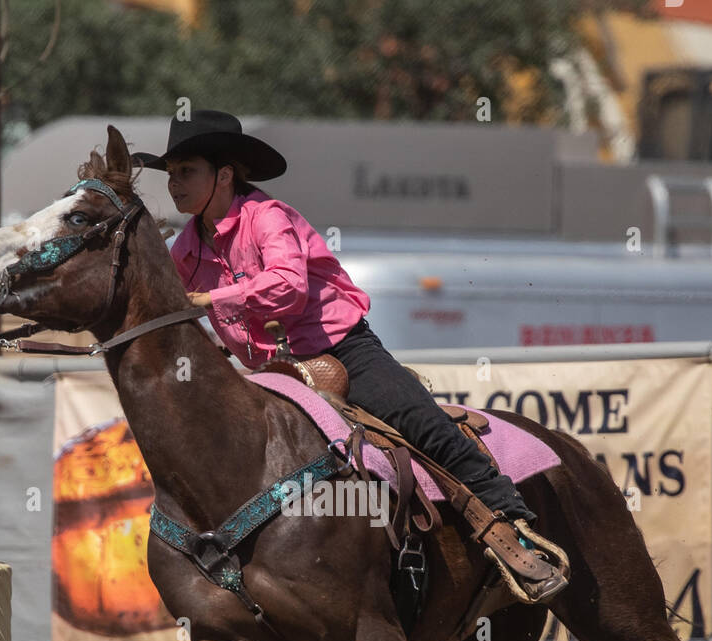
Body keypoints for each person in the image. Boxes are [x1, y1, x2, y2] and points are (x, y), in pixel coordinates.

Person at [133, 110, 565, 604]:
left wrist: (212, 301)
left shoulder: (267, 217)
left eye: (186, 171)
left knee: (419, 421)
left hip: (341, 350)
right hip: (274, 373)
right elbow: (164, 309)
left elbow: (289, 288)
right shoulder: (185, 247)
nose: (174, 185)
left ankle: (513, 522)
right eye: (170, 174)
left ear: (224, 175)